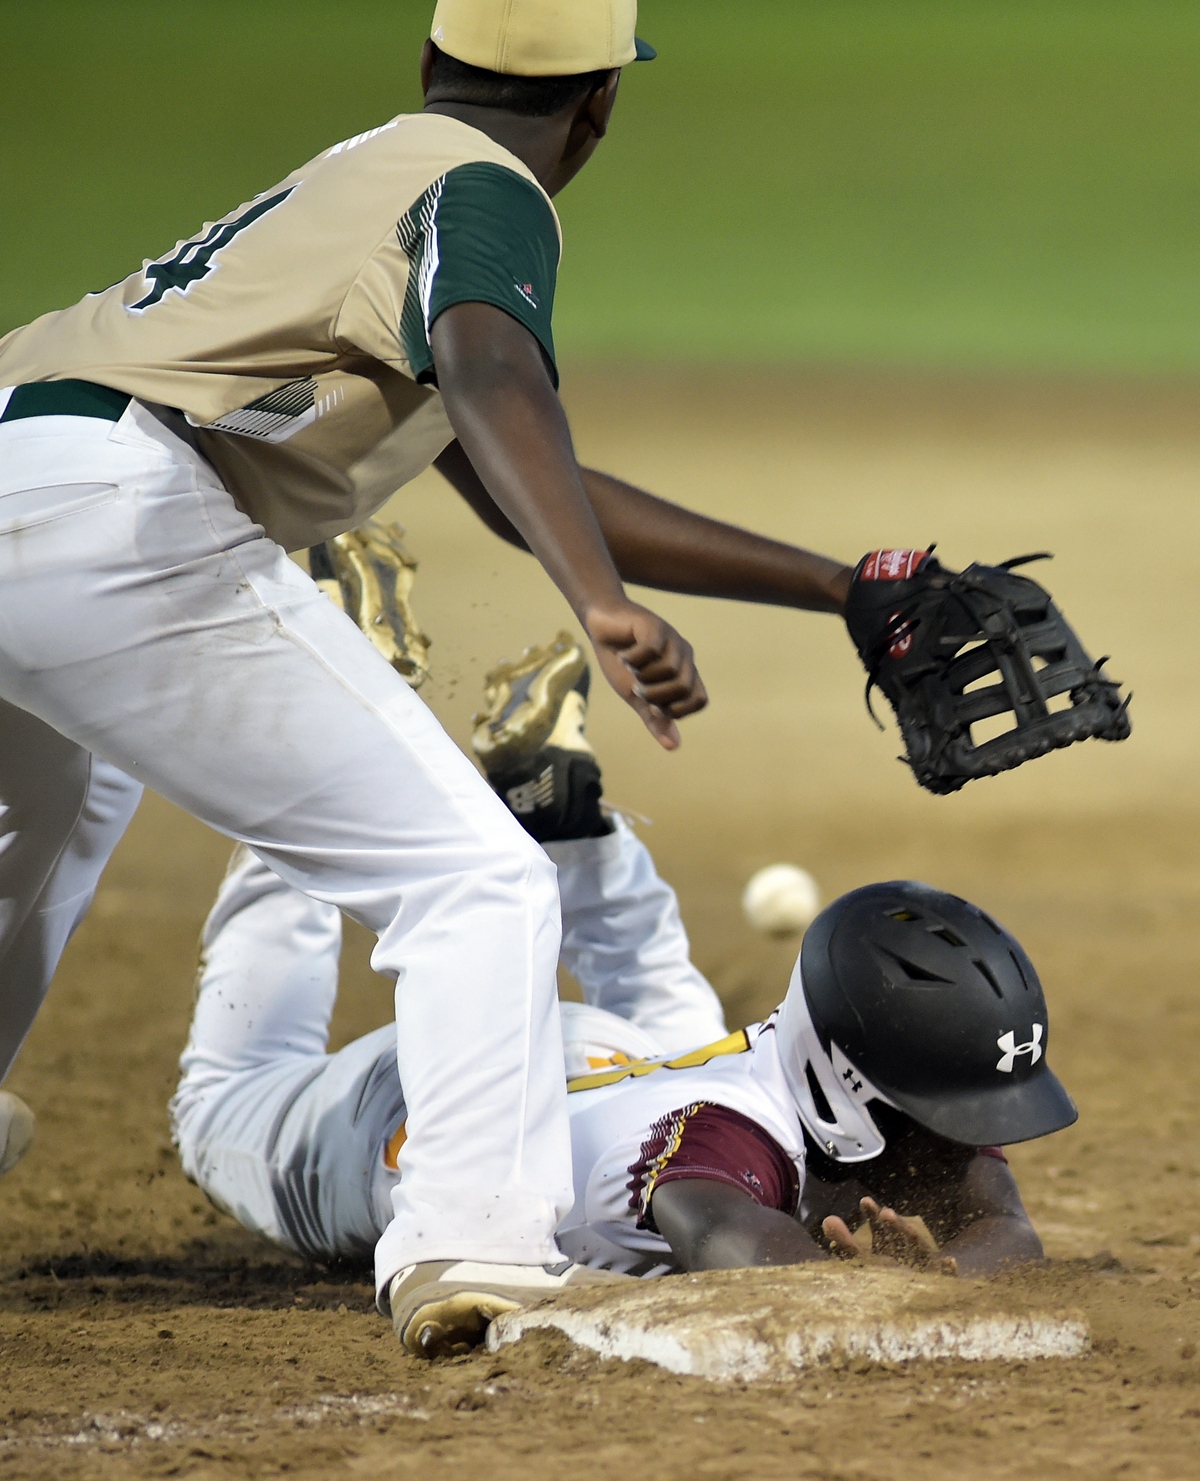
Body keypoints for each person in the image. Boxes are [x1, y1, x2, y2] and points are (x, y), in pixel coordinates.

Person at [0, 0, 864, 1347]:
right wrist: (596, 602)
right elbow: (489, 365)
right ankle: (471, 1241)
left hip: (23, 457)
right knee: (475, 882)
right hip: (111, 516)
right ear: (600, 106)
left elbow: (510, 459)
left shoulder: (371, 170)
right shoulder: (488, 186)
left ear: (429, 61)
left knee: (47, 810)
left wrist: (834, 587)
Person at [169, 655, 1075, 1355]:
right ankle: (311, 758)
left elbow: (1006, 1227)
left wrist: (947, 1270)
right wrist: (903, 1289)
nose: (961, 1135)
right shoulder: (723, 1149)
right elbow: (742, 1254)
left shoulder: (862, 1074)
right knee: (218, 1108)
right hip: (417, 1096)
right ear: (850, 1084)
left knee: (674, 1031)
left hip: (612, 1070)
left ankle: (569, 818)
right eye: (942, 1112)